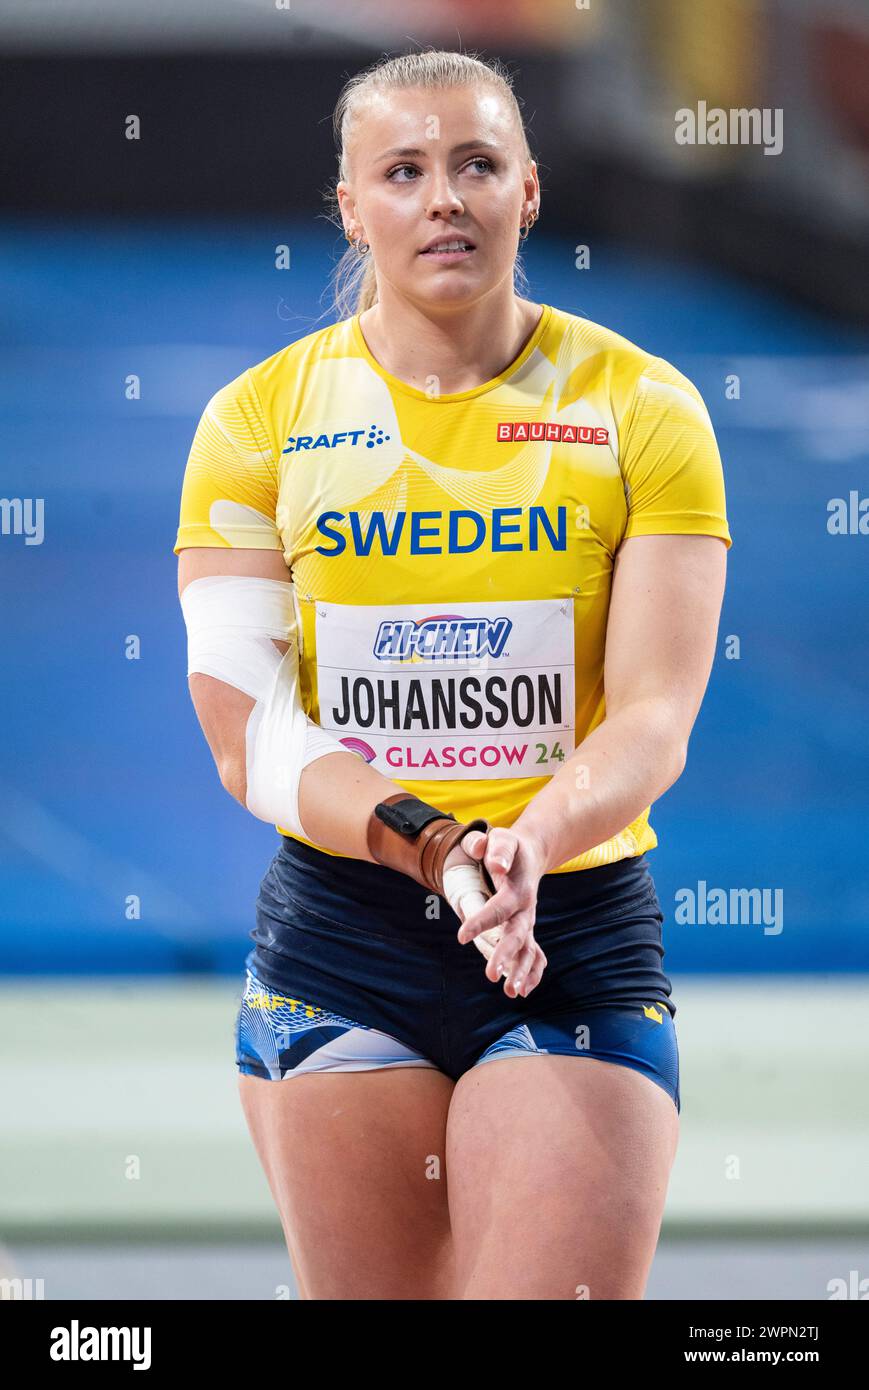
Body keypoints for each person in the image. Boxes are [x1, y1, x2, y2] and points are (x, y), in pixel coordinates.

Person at [174, 47, 731, 1300]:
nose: (443, 198)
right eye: (403, 171)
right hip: (342, 937)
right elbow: (247, 736)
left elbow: (654, 714)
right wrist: (435, 845)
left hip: (565, 932)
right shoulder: (256, 423)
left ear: (526, 192)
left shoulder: (641, 409)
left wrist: (530, 840)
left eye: (475, 164)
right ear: (350, 204)